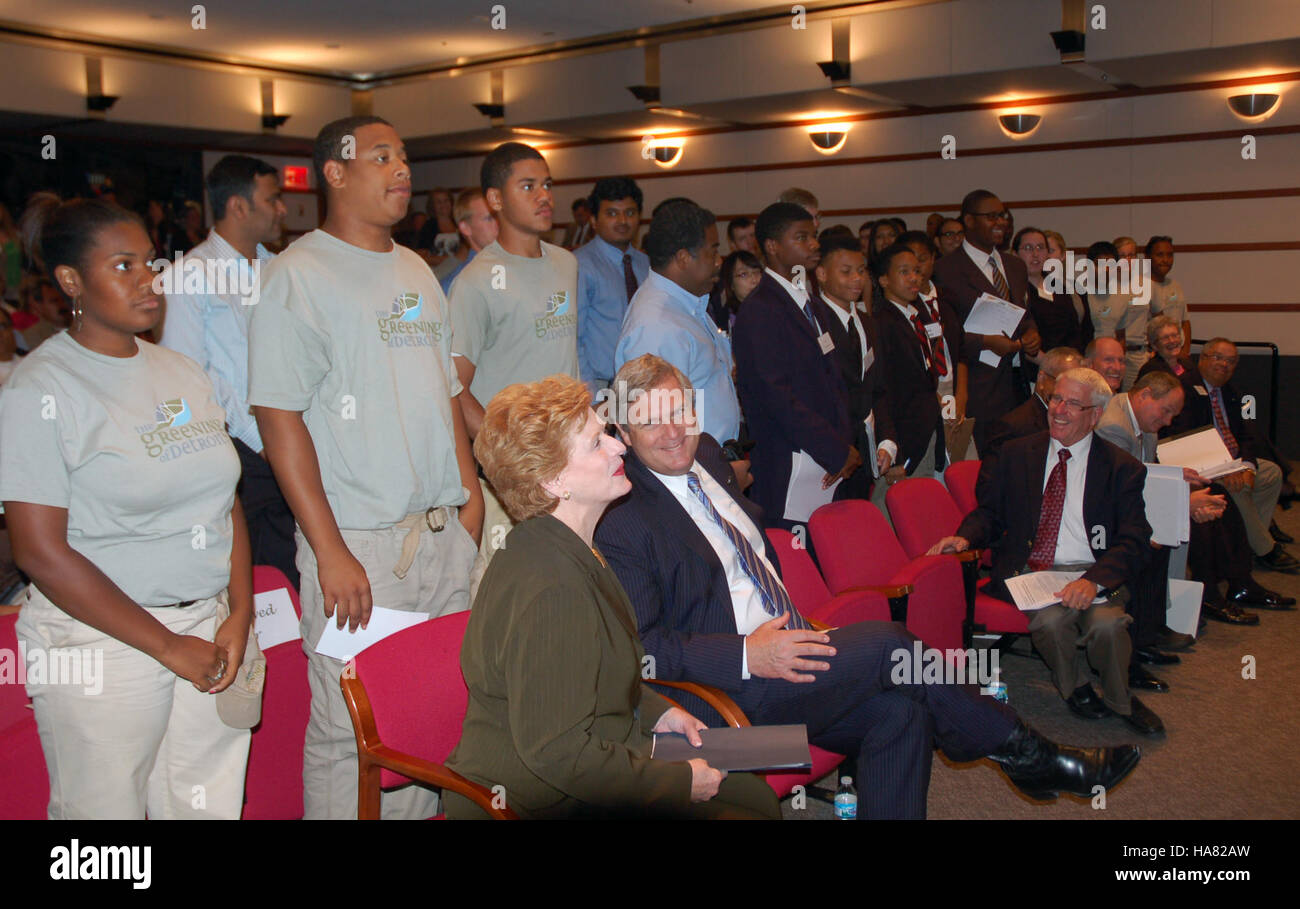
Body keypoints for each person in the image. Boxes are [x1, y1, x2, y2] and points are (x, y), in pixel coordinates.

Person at [596, 354, 1143, 818]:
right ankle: (1027, 754)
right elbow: (645, 651)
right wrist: (749, 654)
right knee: (887, 642)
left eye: (681, 413)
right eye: (651, 422)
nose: (673, 432)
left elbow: (750, 556)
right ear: (622, 432)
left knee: (899, 713)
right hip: (725, 705)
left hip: (790, 653)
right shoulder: (623, 519)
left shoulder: (708, 455)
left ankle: (1019, 754)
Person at [248, 115, 482, 820]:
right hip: (360, 546)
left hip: (444, 535)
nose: (402, 168)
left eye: (405, 155)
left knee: (434, 721)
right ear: (335, 172)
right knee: (351, 733)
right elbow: (277, 418)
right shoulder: (300, 275)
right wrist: (328, 548)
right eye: (383, 156)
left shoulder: (416, 270)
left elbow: (446, 396)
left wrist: (469, 503)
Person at [1, 197, 253, 818]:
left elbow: (224, 501)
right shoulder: (41, 388)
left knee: (203, 809)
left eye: (150, 262)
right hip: (102, 642)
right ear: (71, 282)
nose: (149, 280)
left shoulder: (182, 371)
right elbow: (39, 551)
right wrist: (167, 646)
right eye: (124, 266)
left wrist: (240, 612)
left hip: (208, 629)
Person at [444, 374, 780, 820]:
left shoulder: (570, 542)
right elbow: (556, 754)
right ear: (552, 480)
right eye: (595, 443)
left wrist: (658, 712)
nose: (618, 447)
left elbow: (598, 673)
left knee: (755, 796)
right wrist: (677, 783)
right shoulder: (551, 588)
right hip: (534, 795)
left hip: (596, 750)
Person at [930, 368, 1163, 736]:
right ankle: (1076, 689)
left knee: (1108, 626)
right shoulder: (1018, 453)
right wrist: (965, 539)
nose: (1059, 409)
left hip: (1092, 569)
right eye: (1056, 399)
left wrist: (1094, 581)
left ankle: (1121, 700)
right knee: (1051, 623)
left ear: (1095, 415)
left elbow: (1134, 538)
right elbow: (990, 513)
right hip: (1033, 569)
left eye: (1073, 403)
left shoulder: (1121, 468)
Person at [159, 154, 297, 589]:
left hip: (293, 438)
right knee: (255, 577)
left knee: (297, 569)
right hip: (237, 449)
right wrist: (261, 440)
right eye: (273, 199)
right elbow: (187, 376)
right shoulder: (189, 277)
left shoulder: (283, 269)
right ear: (239, 207)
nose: (282, 210)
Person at [449, 141, 579, 564]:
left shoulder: (565, 263)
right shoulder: (476, 282)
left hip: (572, 463)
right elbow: (453, 386)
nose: (544, 196)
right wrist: (508, 457)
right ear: (495, 199)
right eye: (528, 186)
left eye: (546, 184)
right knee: (515, 602)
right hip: (511, 478)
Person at [733, 202, 858, 530]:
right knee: (797, 562)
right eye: (801, 238)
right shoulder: (760, 310)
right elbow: (776, 396)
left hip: (826, 457)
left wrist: (843, 443)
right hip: (790, 462)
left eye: (814, 236)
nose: (814, 245)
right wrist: (833, 449)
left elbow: (833, 381)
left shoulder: (809, 302)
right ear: (773, 247)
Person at [1094, 372, 1221, 690]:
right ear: (1145, 395)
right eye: (1165, 411)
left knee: (1160, 543)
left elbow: (1145, 474)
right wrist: (1183, 503)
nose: (1166, 421)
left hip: (1123, 508)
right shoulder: (1114, 426)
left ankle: (1146, 638)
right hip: (1100, 516)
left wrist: (1179, 484)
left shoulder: (1141, 421)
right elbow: (1117, 488)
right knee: (1145, 548)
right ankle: (1130, 658)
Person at [615, 200, 740, 450]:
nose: (719, 261)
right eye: (713, 251)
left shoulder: (687, 305)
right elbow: (656, 433)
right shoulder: (657, 326)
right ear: (683, 258)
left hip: (709, 464)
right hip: (689, 473)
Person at [1167, 338, 1299, 574]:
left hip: (1231, 461)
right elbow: (1183, 438)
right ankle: (1266, 549)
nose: (1224, 365)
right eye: (1218, 357)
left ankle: (1246, 545)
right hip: (1200, 464)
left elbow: (1247, 436)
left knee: (1271, 473)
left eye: (1231, 361)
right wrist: (1226, 468)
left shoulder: (1230, 391)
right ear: (1203, 358)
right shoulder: (1183, 388)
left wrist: (1247, 465)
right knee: (1235, 487)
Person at [933, 190, 1041, 454]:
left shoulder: (1014, 265)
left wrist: (1032, 333)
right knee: (983, 468)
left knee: (1018, 459)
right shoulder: (946, 269)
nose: (1000, 222)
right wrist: (985, 342)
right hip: (977, 387)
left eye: (1002, 216)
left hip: (1018, 384)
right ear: (969, 221)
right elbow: (944, 334)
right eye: (991, 217)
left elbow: (1023, 314)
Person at [870, 243, 955, 510]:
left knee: (919, 508)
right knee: (895, 510)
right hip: (904, 438)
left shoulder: (916, 315)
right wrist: (895, 451)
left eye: (917, 271)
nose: (914, 278)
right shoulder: (882, 322)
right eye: (904, 272)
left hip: (925, 428)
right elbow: (883, 391)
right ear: (884, 279)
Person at [813, 233, 896, 500]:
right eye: (846, 272)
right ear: (822, 274)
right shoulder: (812, 322)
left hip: (864, 446)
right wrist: (834, 448)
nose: (857, 279)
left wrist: (887, 440)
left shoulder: (866, 322)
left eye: (861, 271)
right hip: (829, 452)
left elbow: (878, 388)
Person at [902, 229, 971, 464]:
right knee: (930, 464)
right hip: (925, 393)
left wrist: (961, 395)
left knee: (960, 462)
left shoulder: (947, 297)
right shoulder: (902, 305)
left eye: (922, 258)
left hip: (953, 389)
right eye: (909, 261)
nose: (917, 267)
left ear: (933, 258)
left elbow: (960, 351)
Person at [575, 176, 648, 391]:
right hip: (601, 389)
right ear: (594, 220)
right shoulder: (580, 266)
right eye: (612, 213)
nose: (623, 221)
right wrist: (592, 398)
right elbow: (573, 341)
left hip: (646, 387)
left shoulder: (647, 265)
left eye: (630, 213)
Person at [983, 346, 1082, 460]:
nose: (1071, 391)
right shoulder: (1014, 427)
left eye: (1077, 385)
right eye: (1062, 382)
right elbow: (994, 476)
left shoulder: (1079, 419)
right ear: (1041, 379)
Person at [1016, 226, 1092, 355]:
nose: (1035, 254)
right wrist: (1049, 364)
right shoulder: (1013, 290)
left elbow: (1078, 331)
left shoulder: (1059, 286)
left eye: (1040, 248)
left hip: (1070, 363)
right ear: (1015, 253)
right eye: (1028, 248)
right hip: (1035, 367)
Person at [438, 187, 498, 296]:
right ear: (466, 228)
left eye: (500, 216)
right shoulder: (456, 285)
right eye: (489, 219)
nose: (499, 224)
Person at [1147, 236, 1191, 358]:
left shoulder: (1176, 286)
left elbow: (1185, 321)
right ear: (1148, 258)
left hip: (1177, 354)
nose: (1165, 260)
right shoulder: (1140, 287)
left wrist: (1184, 351)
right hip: (1154, 354)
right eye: (1160, 255)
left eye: (1169, 255)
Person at [13, 276, 70, 352]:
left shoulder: (83, 327)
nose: (62, 305)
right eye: (54, 301)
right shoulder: (31, 337)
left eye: (64, 299)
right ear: (38, 306)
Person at [718, 249, 762, 331]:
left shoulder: (773, 309)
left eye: (756, 272)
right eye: (744, 274)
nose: (754, 280)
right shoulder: (726, 320)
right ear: (731, 284)